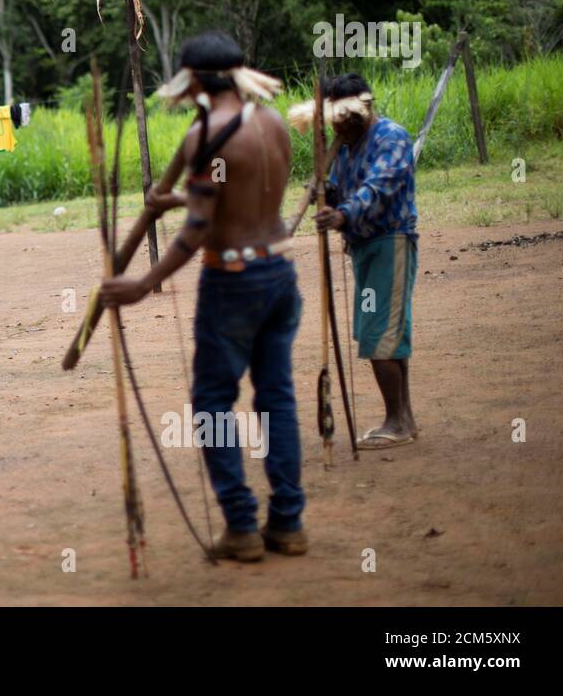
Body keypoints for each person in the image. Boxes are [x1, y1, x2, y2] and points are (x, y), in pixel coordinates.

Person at [99, 31, 306, 562]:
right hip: (279, 272)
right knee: (276, 397)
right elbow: (228, 192)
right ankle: (287, 523)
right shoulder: (273, 123)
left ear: (191, 81)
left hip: (233, 282)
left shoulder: (207, 137)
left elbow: (198, 227)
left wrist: (142, 284)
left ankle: (240, 526)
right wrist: (173, 198)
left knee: (215, 403)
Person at [314, 73, 419, 449]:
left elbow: (379, 187)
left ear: (364, 109)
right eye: (334, 120)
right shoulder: (343, 145)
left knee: (380, 335)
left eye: (345, 119)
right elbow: (345, 189)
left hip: (390, 243)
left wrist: (341, 215)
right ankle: (403, 419)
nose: (339, 127)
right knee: (380, 332)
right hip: (363, 248)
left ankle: (397, 422)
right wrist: (327, 194)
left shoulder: (391, 137)